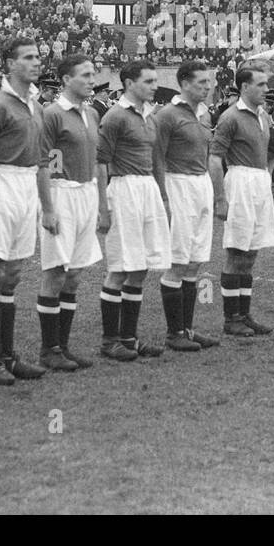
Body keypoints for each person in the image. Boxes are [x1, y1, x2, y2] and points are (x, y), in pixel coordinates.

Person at [0, 37, 48, 385]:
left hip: (26, 185)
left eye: (38, 57)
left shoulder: (36, 105)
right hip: (0, 182)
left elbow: (42, 157)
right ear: (10, 64)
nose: (36, 63)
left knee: (14, 273)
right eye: (28, 58)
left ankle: (8, 355)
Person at [96, 59, 170, 361]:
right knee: (120, 268)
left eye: (155, 81)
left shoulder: (150, 117)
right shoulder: (115, 116)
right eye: (149, 81)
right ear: (129, 84)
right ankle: (109, 340)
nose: (154, 86)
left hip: (147, 190)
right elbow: (100, 163)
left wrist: (162, 196)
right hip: (124, 189)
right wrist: (103, 207)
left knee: (140, 268)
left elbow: (156, 159)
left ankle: (129, 337)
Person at [36, 53, 103, 371]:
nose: (92, 80)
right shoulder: (52, 114)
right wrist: (48, 209)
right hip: (62, 195)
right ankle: (49, 349)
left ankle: (63, 346)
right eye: (85, 75)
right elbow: (47, 165)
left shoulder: (91, 113)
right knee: (56, 272)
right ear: (65, 80)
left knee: (75, 274)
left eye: (93, 75)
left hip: (86, 194)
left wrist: (100, 204)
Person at [153, 60, 221, 351]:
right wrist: (164, 197)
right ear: (183, 84)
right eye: (201, 83)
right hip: (177, 183)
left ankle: (188, 329)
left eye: (209, 82)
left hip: (200, 184)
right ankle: (173, 333)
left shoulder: (203, 114)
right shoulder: (167, 115)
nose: (207, 87)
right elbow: (156, 157)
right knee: (178, 261)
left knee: (195, 260)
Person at [209, 67, 274, 338]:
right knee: (237, 251)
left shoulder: (263, 116)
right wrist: (220, 198)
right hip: (239, 182)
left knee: (251, 251)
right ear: (245, 87)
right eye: (260, 84)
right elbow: (214, 159)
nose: (266, 89)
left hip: (259, 182)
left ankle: (244, 313)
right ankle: (231, 318)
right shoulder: (230, 117)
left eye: (266, 84)